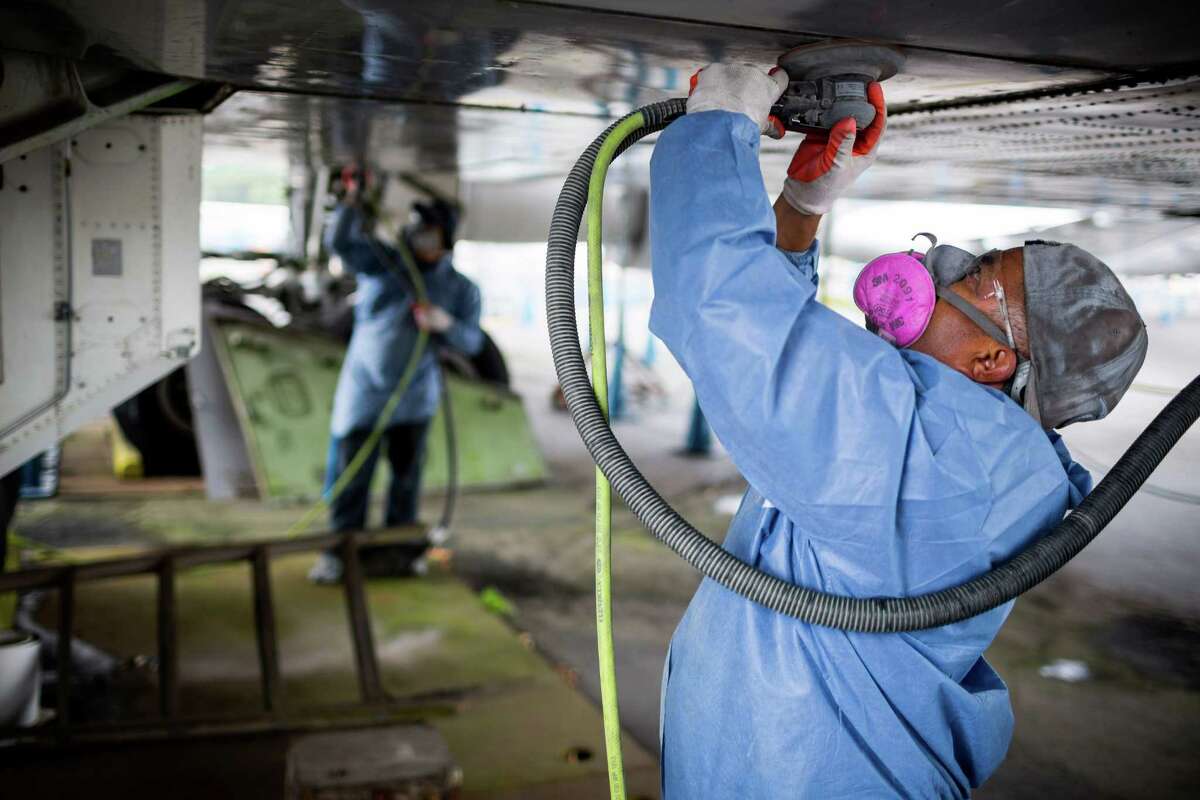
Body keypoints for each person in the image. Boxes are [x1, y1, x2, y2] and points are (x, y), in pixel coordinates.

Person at [651, 64, 1146, 798]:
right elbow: (791, 361)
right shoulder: (971, 443)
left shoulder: (936, 458)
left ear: (989, 358)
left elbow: (729, 321)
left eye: (973, 277)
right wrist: (800, 208)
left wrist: (715, 129)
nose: (936, 269)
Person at [308, 180, 483, 584]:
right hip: (364, 394)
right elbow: (341, 243)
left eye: (431, 234)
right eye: (417, 230)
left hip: (414, 398)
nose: (421, 239)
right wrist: (351, 200)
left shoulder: (460, 290)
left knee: (405, 482)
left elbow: (472, 341)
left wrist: (446, 324)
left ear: (447, 240)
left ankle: (399, 553)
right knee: (349, 480)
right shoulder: (382, 263)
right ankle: (338, 555)